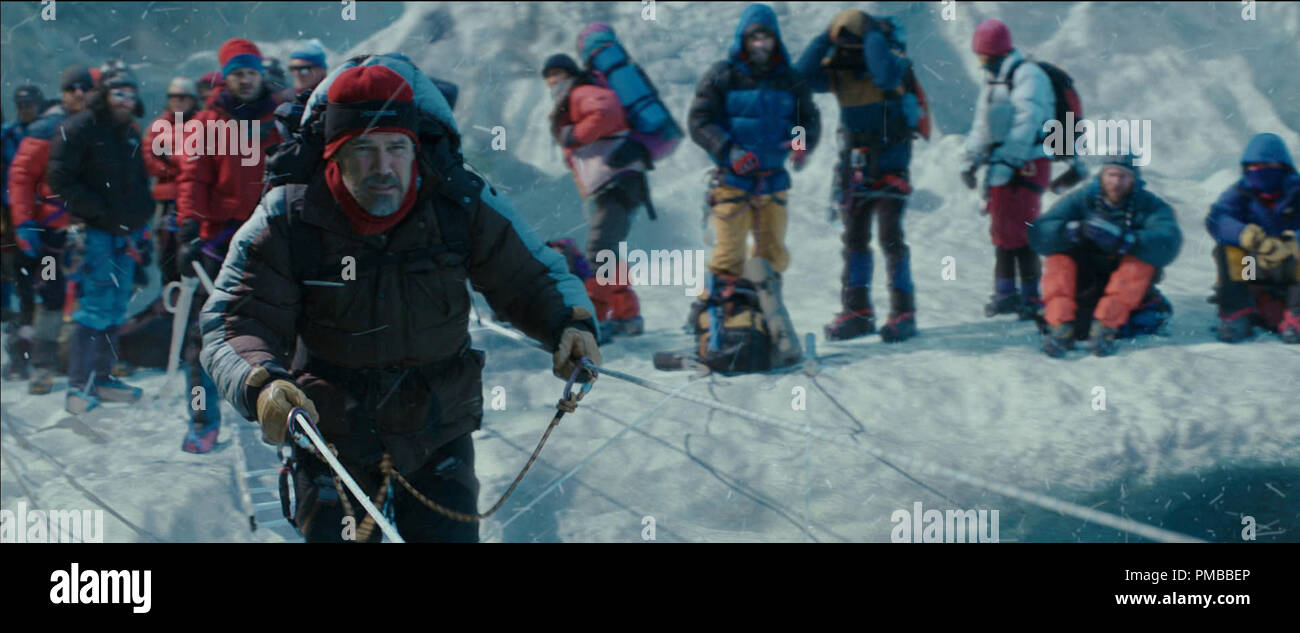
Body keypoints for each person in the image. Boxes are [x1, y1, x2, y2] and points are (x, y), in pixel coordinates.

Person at [200, 58, 601, 543]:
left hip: (438, 431)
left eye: (396, 147)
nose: (383, 167)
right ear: (334, 155)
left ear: (415, 150)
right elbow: (236, 318)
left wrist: (569, 324)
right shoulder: (289, 216)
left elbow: (530, 274)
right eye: (363, 150)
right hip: (330, 433)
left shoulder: (459, 202)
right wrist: (260, 381)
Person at [687, 3, 820, 367]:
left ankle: (766, 324)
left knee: (772, 257)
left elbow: (805, 119)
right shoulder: (722, 75)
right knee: (728, 257)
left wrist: (798, 143)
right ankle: (710, 324)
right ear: (743, 39)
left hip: (774, 182)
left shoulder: (790, 79)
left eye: (767, 36)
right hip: (732, 182)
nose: (761, 43)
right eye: (755, 36)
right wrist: (729, 151)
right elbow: (699, 121)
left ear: (775, 39)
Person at [175, 37, 284, 452]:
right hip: (218, 241)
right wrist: (187, 227)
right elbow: (193, 178)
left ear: (260, 73)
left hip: (270, 237)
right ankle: (203, 421)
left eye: (250, 72)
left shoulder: (279, 120)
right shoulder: (206, 123)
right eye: (237, 73)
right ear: (227, 76)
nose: (244, 80)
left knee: (279, 328)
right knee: (204, 337)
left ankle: (282, 412)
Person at [796, 9, 920, 342]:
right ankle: (858, 311)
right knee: (854, 241)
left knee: (890, 239)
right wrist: (826, 35)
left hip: (890, 165)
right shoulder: (840, 72)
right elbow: (801, 77)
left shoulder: (895, 65)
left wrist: (869, 33)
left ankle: (903, 312)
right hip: (856, 169)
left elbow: (882, 76)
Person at [47, 66, 153, 413]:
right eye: (118, 93)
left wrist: (142, 218)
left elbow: (138, 181)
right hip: (94, 232)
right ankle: (79, 385)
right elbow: (60, 180)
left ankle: (104, 378)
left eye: (130, 94)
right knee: (93, 307)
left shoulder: (128, 132)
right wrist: (98, 211)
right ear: (105, 96)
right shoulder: (79, 128)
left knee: (116, 305)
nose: (126, 100)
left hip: (125, 233)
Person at [1028, 154, 1182, 357]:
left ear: (1134, 179)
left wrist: (1127, 240)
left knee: (1140, 263)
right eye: (1111, 175)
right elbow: (1040, 232)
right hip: (1084, 280)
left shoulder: (1151, 206)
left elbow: (1168, 241)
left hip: (1127, 282)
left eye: (1123, 176)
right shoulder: (1081, 199)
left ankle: (1105, 327)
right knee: (1058, 258)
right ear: (1102, 175)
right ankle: (1060, 326)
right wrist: (1073, 231)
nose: (1116, 182)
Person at [542, 52, 647, 336]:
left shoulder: (581, 92)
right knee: (606, 252)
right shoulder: (570, 100)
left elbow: (606, 111)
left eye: (558, 74)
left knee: (600, 252)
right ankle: (626, 316)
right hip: (611, 185)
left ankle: (600, 318)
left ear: (571, 74)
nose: (553, 81)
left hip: (618, 183)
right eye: (549, 77)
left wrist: (575, 135)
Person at [6, 67, 95, 390]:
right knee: (51, 295)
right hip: (51, 233)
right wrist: (25, 222)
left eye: (86, 88)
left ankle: (93, 362)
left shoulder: (104, 128)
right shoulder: (45, 129)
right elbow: (21, 178)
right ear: (64, 92)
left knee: (95, 295)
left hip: (93, 230)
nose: (80, 94)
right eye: (73, 88)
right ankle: (43, 364)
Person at [961, 18, 1056, 321]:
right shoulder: (995, 78)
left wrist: (1007, 160)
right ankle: (1005, 294)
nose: (981, 63)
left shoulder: (1029, 75)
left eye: (983, 56)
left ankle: (1030, 296)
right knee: (1002, 229)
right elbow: (983, 124)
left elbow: (1026, 121)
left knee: (1022, 230)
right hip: (1005, 162)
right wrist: (971, 159)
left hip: (1029, 162)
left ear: (996, 52)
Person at [1206, 133, 1300, 343]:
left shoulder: (1297, 191)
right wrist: (1246, 235)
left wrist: (1293, 242)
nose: (1259, 171)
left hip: (1292, 269)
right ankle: (1237, 314)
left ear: (1282, 166)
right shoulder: (1241, 192)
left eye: (1267, 164)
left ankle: (1296, 316)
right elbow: (1217, 218)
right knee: (1229, 251)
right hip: (1253, 267)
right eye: (1254, 166)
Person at [143, 77, 200, 290]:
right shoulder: (159, 126)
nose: (178, 101)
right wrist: (179, 166)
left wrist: (172, 160)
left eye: (183, 97)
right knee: (166, 247)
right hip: (167, 200)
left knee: (189, 246)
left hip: (193, 199)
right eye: (173, 97)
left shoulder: (202, 124)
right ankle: (170, 289)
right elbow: (149, 160)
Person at [2, 85, 45, 328]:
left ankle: (38, 313)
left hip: (40, 213)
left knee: (46, 265)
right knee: (14, 263)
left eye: (30, 104)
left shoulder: (46, 134)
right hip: (11, 211)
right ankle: (20, 314)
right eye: (21, 105)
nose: (26, 109)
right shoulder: (8, 134)